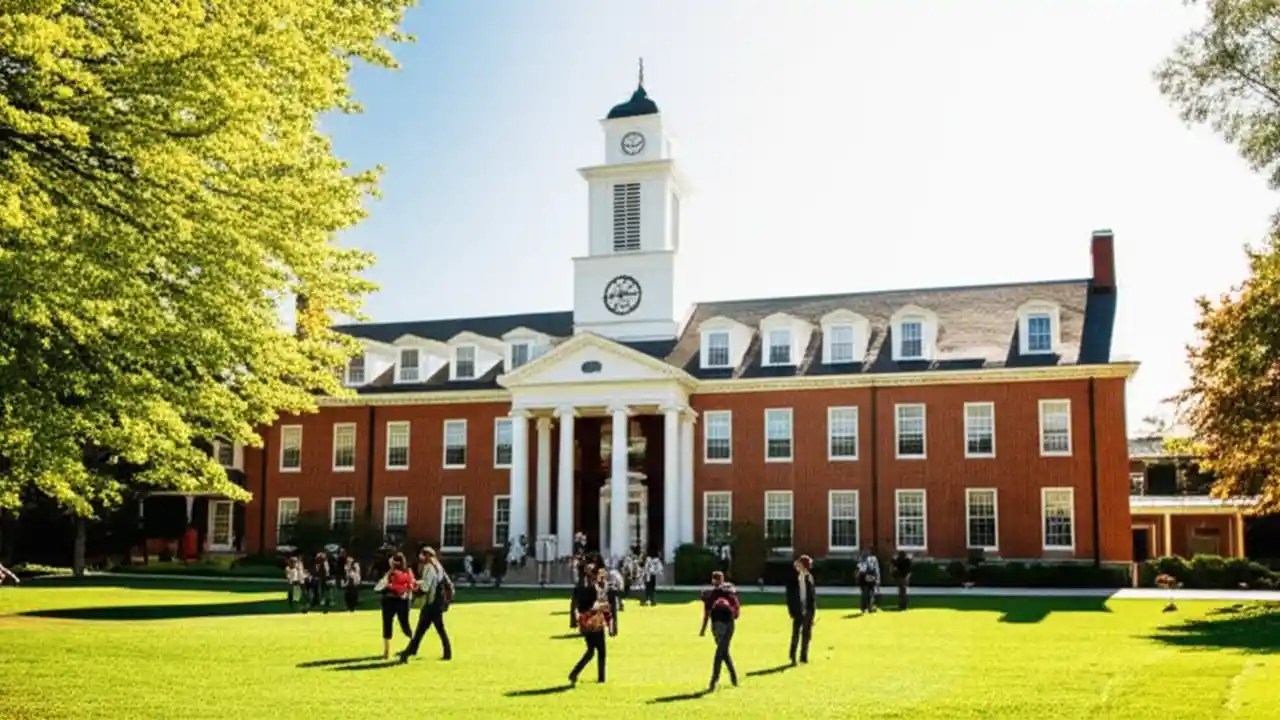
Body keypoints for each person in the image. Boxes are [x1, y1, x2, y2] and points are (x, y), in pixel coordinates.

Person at [399, 547, 454, 662]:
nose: (420, 557)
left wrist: (413, 588)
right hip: (437, 602)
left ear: (426, 556)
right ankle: (447, 652)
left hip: (431, 603)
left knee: (422, 629)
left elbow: (426, 587)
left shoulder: (429, 567)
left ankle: (409, 652)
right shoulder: (438, 566)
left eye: (422, 555)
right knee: (436, 629)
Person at [568, 565, 612, 686]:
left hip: (585, 623)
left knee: (591, 651)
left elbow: (575, 604)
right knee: (601, 651)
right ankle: (601, 679)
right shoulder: (593, 588)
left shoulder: (579, 586)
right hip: (595, 621)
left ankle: (574, 673)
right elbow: (595, 605)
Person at [699, 570, 740, 691]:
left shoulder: (710, 595)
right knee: (723, 651)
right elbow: (736, 611)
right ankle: (733, 678)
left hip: (717, 625)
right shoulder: (730, 592)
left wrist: (703, 629)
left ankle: (714, 680)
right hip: (729, 624)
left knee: (720, 653)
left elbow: (707, 614)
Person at [374, 552, 415, 659]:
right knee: (387, 624)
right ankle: (386, 651)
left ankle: (412, 646)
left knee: (404, 624)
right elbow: (381, 585)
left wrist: (405, 593)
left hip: (402, 601)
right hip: (389, 600)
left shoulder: (407, 571)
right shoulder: (390, 573)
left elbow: (411, 585)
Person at [785, 555, 816, 664]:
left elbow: (812, 596)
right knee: (796, 634)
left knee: (807, 634)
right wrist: (792, 611)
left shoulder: (809, 578)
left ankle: (804, 656)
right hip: (798, 610)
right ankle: (792, 656)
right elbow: (789, 597)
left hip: (808, 610)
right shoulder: (793, 578)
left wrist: (812, 612)